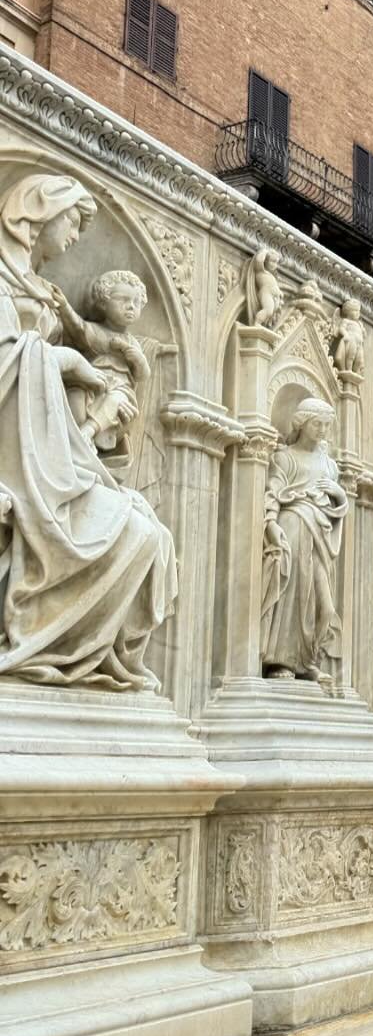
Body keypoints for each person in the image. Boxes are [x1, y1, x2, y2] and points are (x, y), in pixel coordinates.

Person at [0, 173, 177, 688]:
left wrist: (80, 389)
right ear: (37, 212)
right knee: (135, 531)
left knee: (148, 530)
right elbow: (10, 358)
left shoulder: (36, 289)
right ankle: (52, 647)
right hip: (22, 454)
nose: (76, 237)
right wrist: (64, 363)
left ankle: (89, 655)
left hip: (51, 445)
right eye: (73, 223)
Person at [259, 397, 347, 682]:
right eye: (317, 423)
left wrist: (339, 493)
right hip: (293, 526)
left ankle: (308, 659)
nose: (322, 429)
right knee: (293, 595)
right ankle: (281, 661)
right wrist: (271, 523)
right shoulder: (285, 457)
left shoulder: (330, 466)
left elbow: (338, 505)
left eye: (326, 425)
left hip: (319, 533)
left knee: (324, 606)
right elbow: (273, 493)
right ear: (302, 423)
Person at [52, 268, 150, 453]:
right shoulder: (95, 330)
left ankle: (88, 431)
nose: (131, 306)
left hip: (121, 390)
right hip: (92, 382)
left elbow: (143, 375)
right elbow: (77, 327)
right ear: (104, 302)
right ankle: (74, 441)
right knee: (75, 393)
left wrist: (138, 359)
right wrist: (64, 307)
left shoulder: (133, 343)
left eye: (136, 302)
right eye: (123, 299)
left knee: (115, 400)